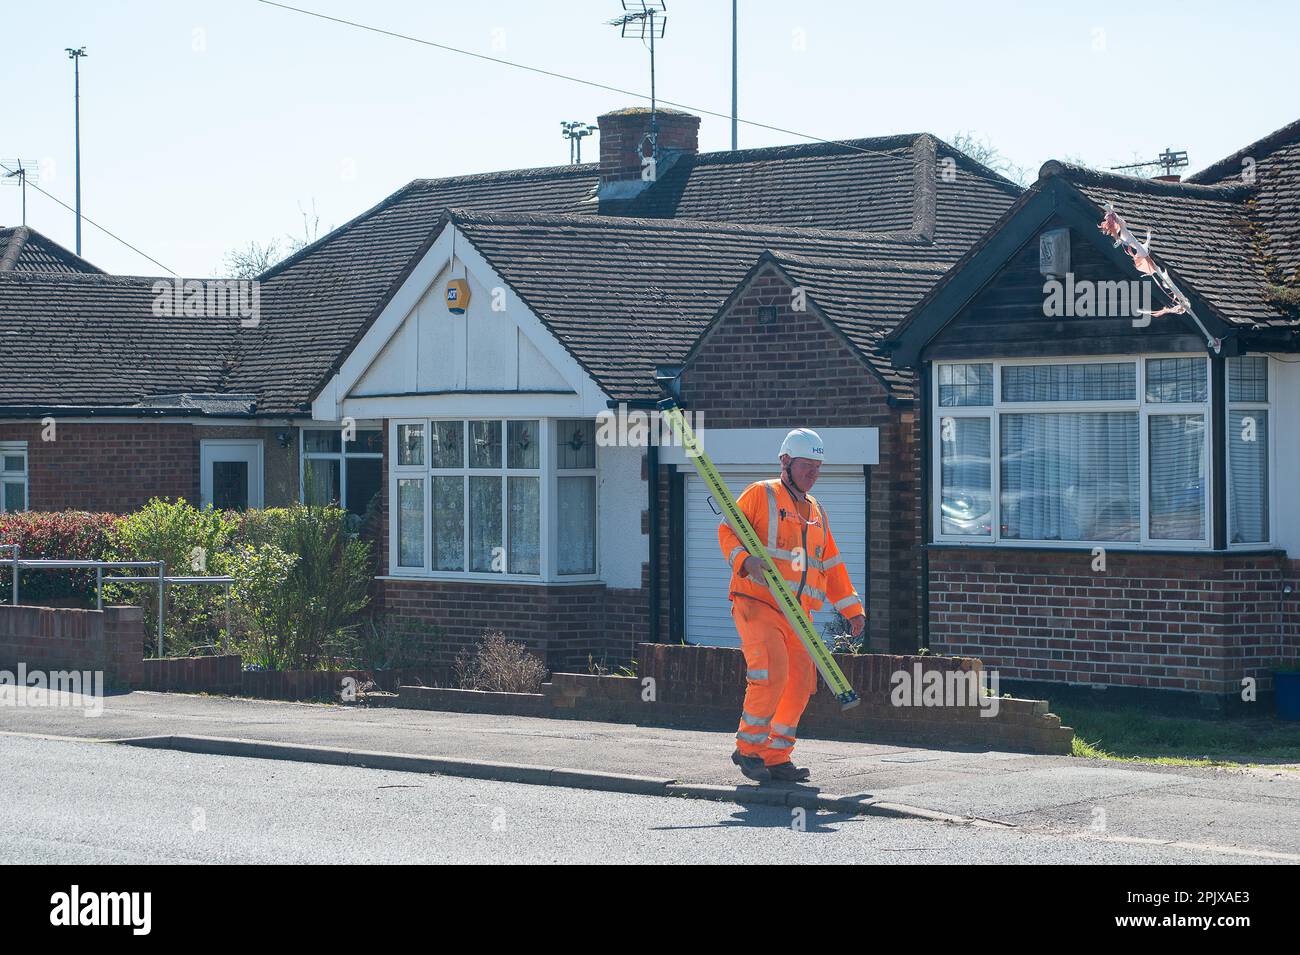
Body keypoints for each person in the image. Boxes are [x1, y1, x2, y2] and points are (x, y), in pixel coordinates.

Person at [718, 428, 866, 783]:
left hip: (798, 614)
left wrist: (851, 608)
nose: (813, 474)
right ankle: (748, 749)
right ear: (785, 462)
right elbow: (727, 531)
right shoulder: (761, 493)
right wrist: (745, 561)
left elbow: (829, 564)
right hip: (758, 601)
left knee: (800, 682)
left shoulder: (815, 511)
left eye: (818, 467)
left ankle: (776, 755)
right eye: (806, 466)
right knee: (771, 672)